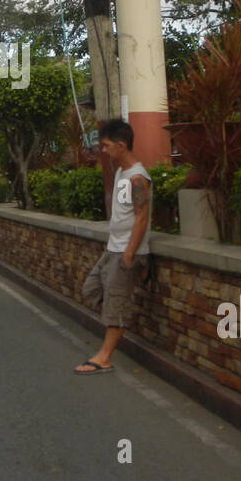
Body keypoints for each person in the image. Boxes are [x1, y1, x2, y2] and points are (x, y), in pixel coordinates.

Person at [75, 119, 151, 375]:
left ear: (121, 145)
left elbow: (142, 218)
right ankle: (117, 313)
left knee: (115, 306)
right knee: (90, 289)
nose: (103, 150)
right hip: (112, 249)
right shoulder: (120, 172)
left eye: (106, 146)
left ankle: (104, 357)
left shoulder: (138, 179)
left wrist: (130, 256)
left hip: (125, 253)